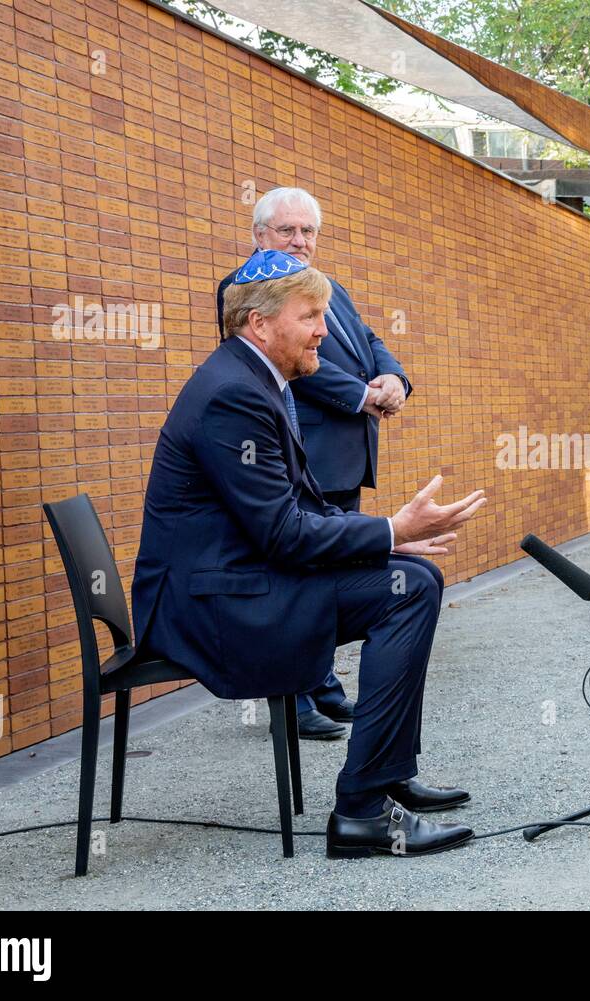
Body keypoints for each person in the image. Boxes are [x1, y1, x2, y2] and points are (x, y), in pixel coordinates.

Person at [133, 249, 486, 857]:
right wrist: (389, 531)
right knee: (409, 592)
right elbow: (283, 534)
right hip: (216, 607)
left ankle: (386, 776)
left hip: (238, 581)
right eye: (311, 315)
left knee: (411, 578)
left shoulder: (251, 380)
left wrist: (390, 539)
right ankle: (361, 812)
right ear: (260, 323)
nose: (324, 329)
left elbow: (299, 511)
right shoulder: (233, 396)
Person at [216, 187, 416, 740]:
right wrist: (362, 395)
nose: (299, 241)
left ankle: (322, 685)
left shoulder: (330, 288)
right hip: (301, 459)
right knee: (298, 577)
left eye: (307, 231)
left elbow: (370, 340)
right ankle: (294, 697)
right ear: (259, 236)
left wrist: (394, 378)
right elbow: (301, 363)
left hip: (344, 459)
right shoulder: (243, 289)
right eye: (287, 231)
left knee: (329, 574)